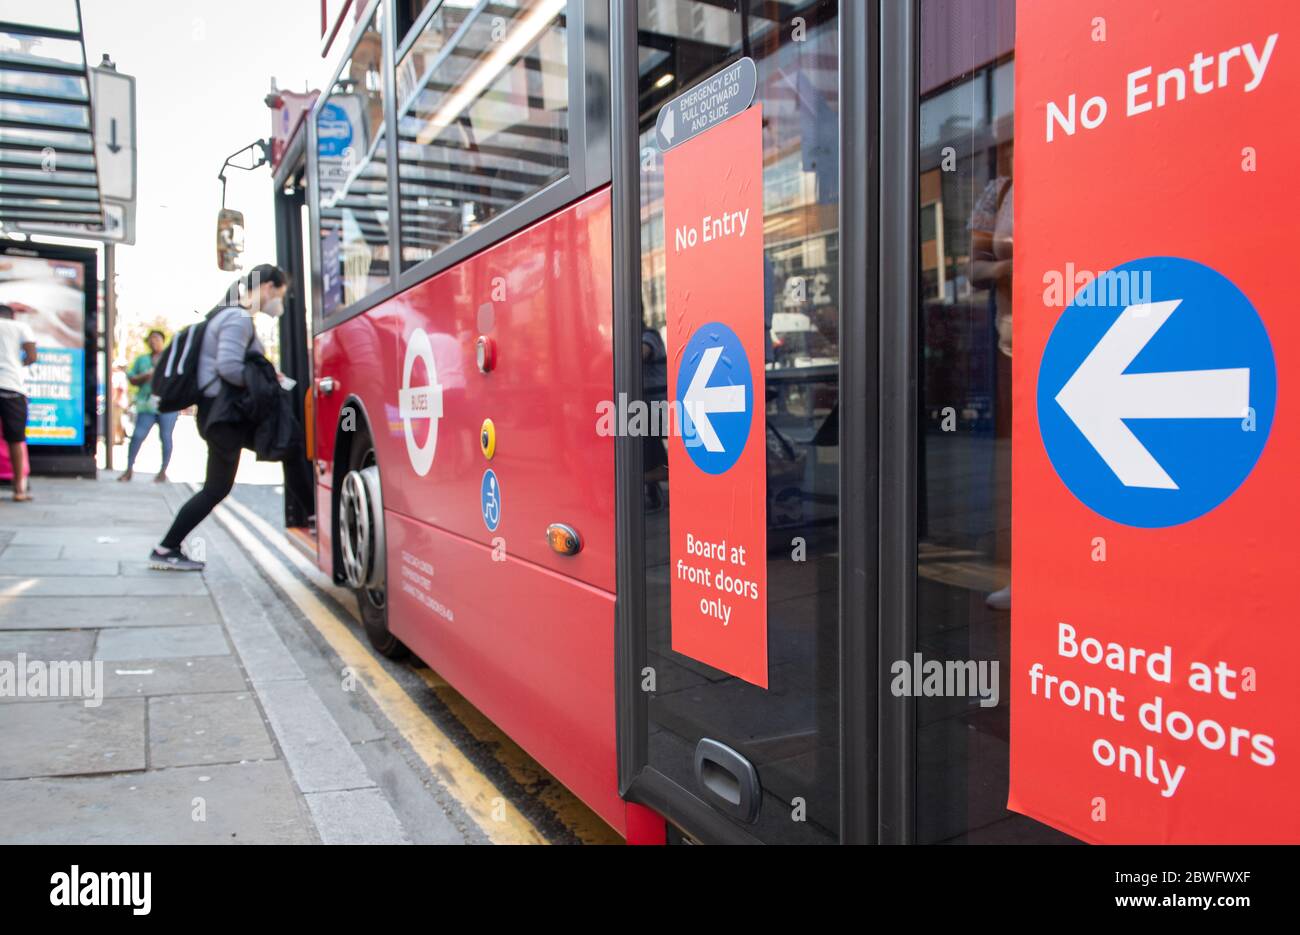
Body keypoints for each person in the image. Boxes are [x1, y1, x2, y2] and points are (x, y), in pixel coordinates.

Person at [149, 264, 287, 570]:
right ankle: (165, 548)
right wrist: (266, 383)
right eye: (280, 294)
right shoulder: (238, 318)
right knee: (217, 487)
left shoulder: (229, 315)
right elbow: (228, 367)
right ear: (267, 288)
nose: (280, 302)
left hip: (219, 413)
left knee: (225, 482)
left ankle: (167, 547)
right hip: (223, 415)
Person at [119, 329, 177, 483]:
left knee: (165, 437)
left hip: (168, 405)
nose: (153, 342)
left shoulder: (171, 358)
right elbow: (131, 377)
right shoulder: (142, 360)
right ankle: (129, 469)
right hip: (146, 405)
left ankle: (163, 471)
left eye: (157, 339)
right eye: (151, 339)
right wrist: (145, 376)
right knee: (137, 436)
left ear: (163, 340)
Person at [0, 303, 36, 502]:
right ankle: (19, 489)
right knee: (15, 440)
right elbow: (32, 356)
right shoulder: (20, 327)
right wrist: (16, 365)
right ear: (12, 316)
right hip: (12, 388)